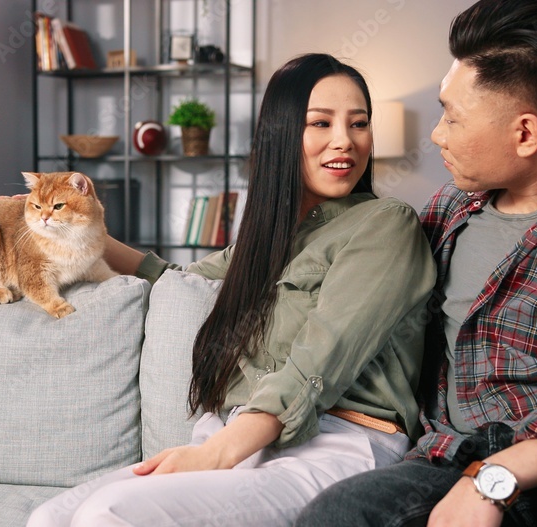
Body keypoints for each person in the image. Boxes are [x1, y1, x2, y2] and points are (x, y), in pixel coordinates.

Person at [25, 53, 436, 526]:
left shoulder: (386, 225)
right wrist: (61, 228)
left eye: (359, 123)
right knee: (51, 517)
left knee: (109, 514)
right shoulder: (268, 240)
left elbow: (319, 361)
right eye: (319, 123)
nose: (344, 140)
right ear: (280, 135)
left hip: (337, 443)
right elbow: (174, 279)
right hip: (236, 437)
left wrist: (216, 454)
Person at [295, 1, 537, 526]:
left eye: (453, 117)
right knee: (340, 513)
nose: (437, 134)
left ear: (525, 133)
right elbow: (347, 280)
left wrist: (497, 479)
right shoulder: (450, 208)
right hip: (447, 461)